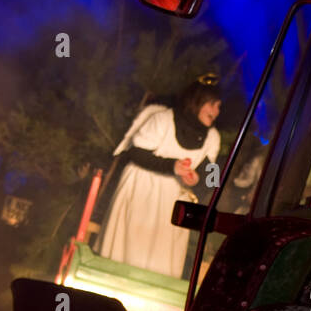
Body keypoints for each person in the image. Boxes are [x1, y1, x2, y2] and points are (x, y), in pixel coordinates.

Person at [96, 75, 223, 279]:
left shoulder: (213, 137)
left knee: (159, 264)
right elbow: (135, 152)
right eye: (212, 105)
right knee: (127, 252)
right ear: (196, 102)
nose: (216, 112)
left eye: (219, 106)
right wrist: (171, 166)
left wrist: (198, 182)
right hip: (141, 192)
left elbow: (214, 176)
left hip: (172, 205)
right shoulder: (162, 119)